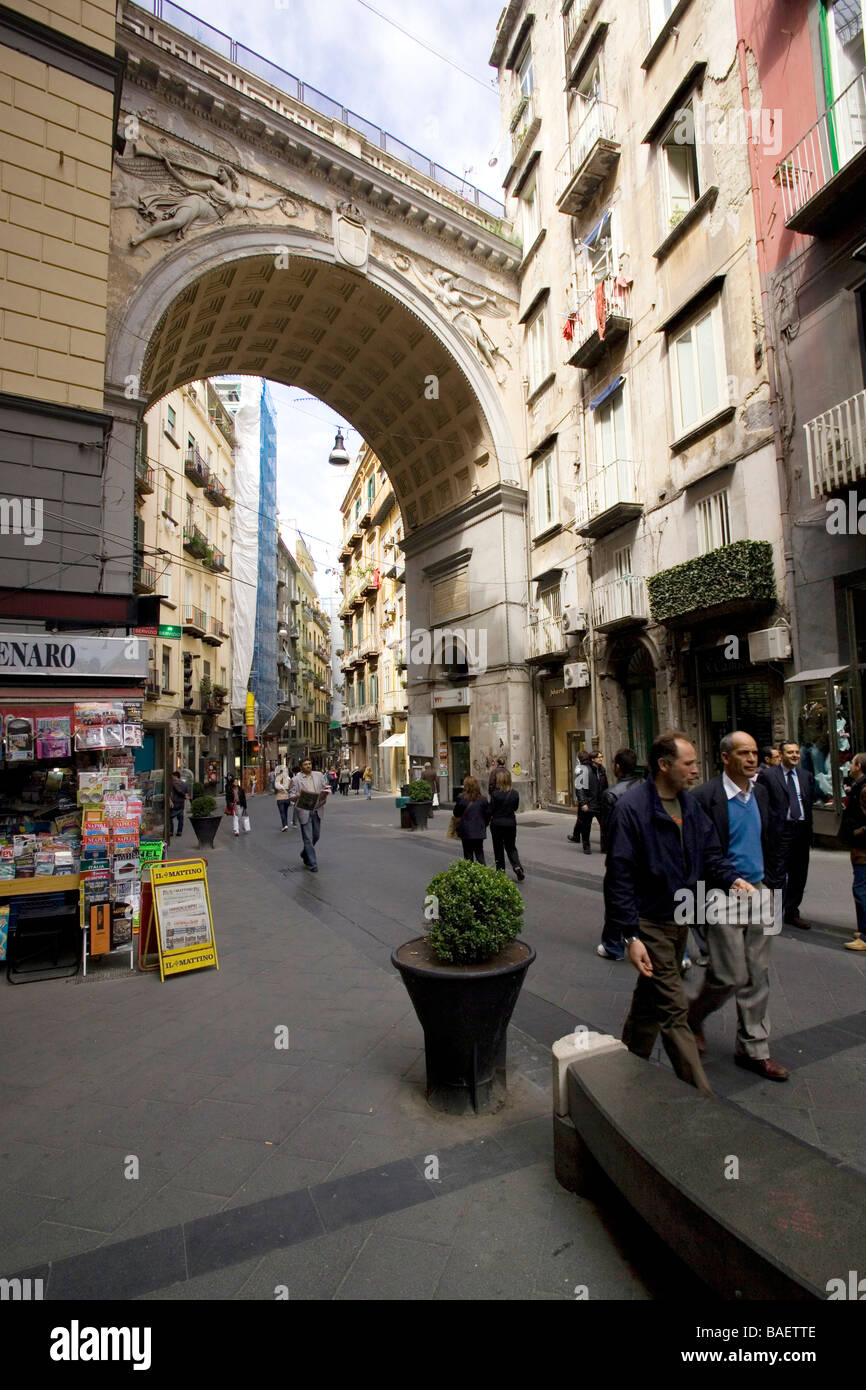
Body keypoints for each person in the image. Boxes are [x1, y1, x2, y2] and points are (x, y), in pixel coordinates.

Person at [605, 730, 753, 1097]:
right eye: (688, 764)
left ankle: (629, 1061)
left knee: (648, 1000)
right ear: (664, 765)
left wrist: (734, 879)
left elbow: (711, 854)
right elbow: (619, 876)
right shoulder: (632, 809)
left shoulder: (690, 806)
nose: (695, 770)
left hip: (680, 921)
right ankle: (703, 1100)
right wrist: (631, 936)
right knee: (673, 1010)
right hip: (650, 922)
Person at [687, 732, 789, 1082]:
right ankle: (692, 1016)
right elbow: (704, 852)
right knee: (729, 974)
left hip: (760, 890)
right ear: (725, 757)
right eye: (743, 753)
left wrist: (773, 883)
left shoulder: (761, 793)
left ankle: (753, 1049)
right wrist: (730, 880)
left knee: (758, 973)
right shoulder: (704, 798)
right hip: (722, 893)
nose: (752, 758)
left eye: (755, 753)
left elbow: (774, 838)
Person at [758, 740, 814, 928]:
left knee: (799, 873)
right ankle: (772, 911)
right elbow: (763, 804)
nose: (795, 755)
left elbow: (808, 802)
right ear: (781, 755)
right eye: (790, 752)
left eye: (797, 752)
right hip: (780, 832)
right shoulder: (768, 775)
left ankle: (792, 912)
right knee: (777, 873)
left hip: (801, 831)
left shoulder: (806, 776)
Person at [596, 749, 641, 960]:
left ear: (617, 767)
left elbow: (608, 828)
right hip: (644, 853)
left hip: (621, 852)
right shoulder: (646, 789)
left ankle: (613, 945)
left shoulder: (611, 794)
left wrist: (608, 851)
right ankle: (633, 935)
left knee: (616, 898)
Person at [838, 752, 866, 952]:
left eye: (852, 762)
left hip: (863, 848)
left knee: (861, 889)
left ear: (858, 765)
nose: (849, 765)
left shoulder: (863, 789)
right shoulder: (859, 787)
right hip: (860, 847)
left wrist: (856, 832)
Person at [289, 758, 330, 872]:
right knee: (307, 838)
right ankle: (313, 864)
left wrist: (325, 792)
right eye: (305, 764)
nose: (308, 766)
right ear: (301, 767)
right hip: (304, 809)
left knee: (316, 836)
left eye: (309, 764)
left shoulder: (319, 775)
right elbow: (291, 795)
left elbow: (324, 786)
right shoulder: (296, 779)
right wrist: (296, 795)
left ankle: (304, 853)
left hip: (317, 808)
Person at [489, 768, 524, 881]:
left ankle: (500, 871)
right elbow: (515, 808)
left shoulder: (495, 794)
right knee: (511, 847)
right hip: (510, 824)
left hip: (497, 824)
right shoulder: (514, 794)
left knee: (498, 848)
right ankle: (517, 866)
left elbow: (491, 810)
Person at [568, 750, 603, 854]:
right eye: (599, 757)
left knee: (601, 825)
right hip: (588, 801)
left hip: (596, 802)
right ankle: (585, 844)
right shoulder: (584, 769)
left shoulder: (600, 769)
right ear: (591, 759)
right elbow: (579, 788)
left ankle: (604, 846)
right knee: (585, 824)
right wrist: (583, 802)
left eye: (602, 757)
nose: (601, 759)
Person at [453, 776, 491, 864]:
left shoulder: (461, 798)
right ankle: (483, 874)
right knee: (479, 853)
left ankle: (470, 874)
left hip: (466, 831)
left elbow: (456, 813)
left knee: (467, 854)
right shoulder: (483, 799)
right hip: (479, 830)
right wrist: (484, 824)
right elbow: (488, 815)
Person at [169, 771, 190, 839]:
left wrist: (170, 801)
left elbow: (177, 791)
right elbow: (187, 793)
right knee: (180, 818)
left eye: (172, 776)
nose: (172, 777)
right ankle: (179, 831)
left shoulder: (173, 784)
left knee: (170, 817)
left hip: (174, 802)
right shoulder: (184, 784)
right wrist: (185, 796)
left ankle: (171, 831)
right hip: (181, 803)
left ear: (175, 776)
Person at [274, 762, 291, 830]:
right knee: (285, 811)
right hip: (287, 797)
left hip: (280, 797)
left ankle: (284, 825)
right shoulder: (288, 778)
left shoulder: (278, 778)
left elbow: (276, 787)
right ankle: (285, 824)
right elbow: (291, 787)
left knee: (282, 812)